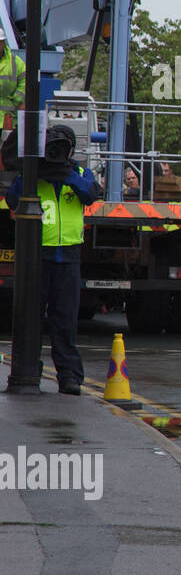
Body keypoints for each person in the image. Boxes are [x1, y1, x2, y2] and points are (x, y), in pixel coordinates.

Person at [3, 124, 102, 394]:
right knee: (30, 319)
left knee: (65, 320)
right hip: (37, 256)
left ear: (70, 149)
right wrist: (34, 174)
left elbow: (92, 194)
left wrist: (66, 173)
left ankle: (69, 377)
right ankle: (29, 372)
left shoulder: (80, 172)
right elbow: (12, 199)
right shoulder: (35, 174)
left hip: (68, 257)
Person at [0, 27, 26, 113]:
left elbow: (24, 82)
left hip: (8, 118)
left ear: (3, 43)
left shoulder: (16, 62)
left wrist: (17, 100)